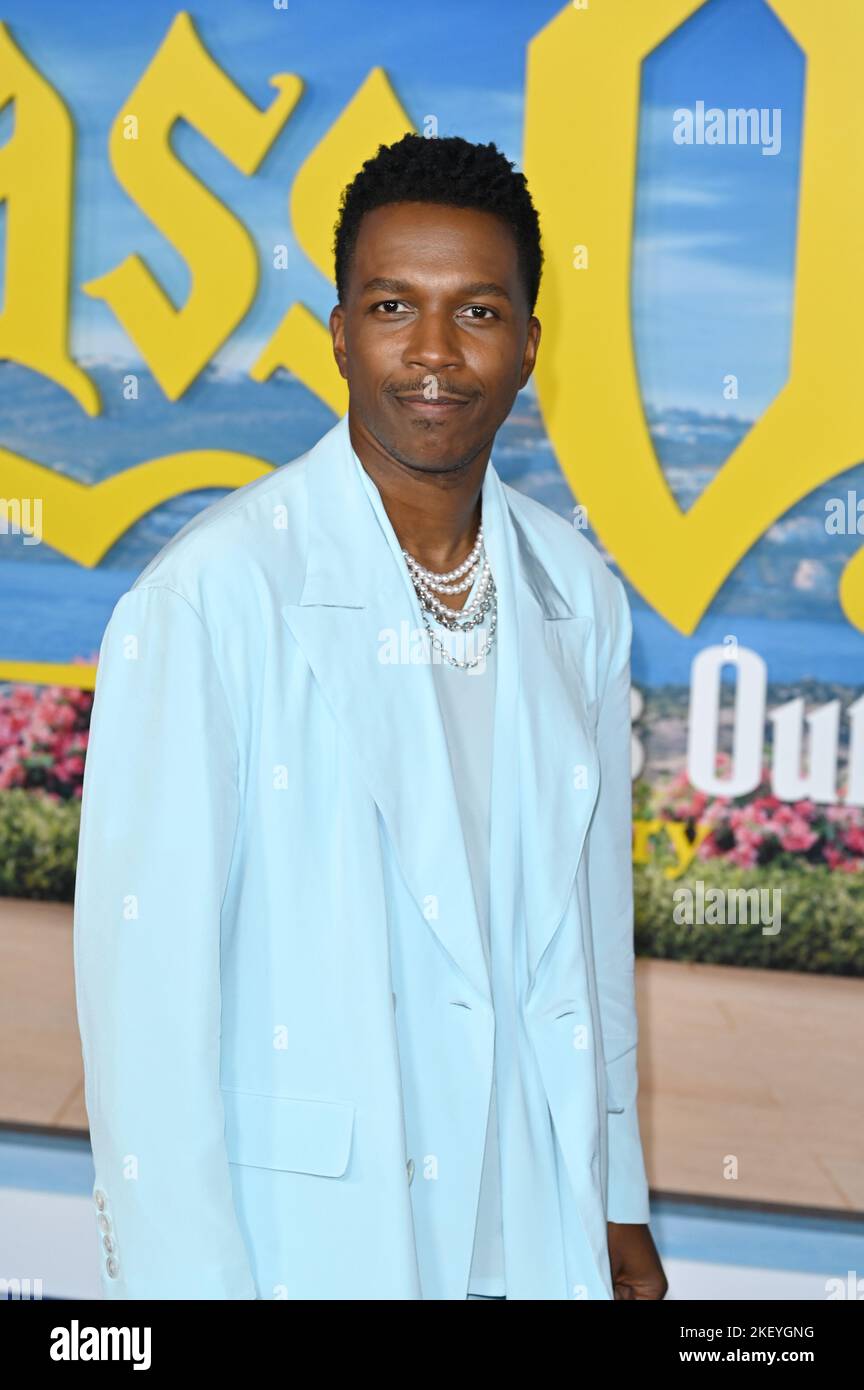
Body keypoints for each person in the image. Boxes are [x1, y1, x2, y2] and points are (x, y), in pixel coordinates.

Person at [73, 132, 667, 1301]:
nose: (435, 354)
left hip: (535, 1227)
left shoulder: (576, 593)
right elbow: (146, 1009)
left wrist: (618, 1197)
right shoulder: (212, 596)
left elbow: (594, 935)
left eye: (480, 312)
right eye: (395, 305)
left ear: (531, 345)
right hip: (317, 1239)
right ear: (341, 332)